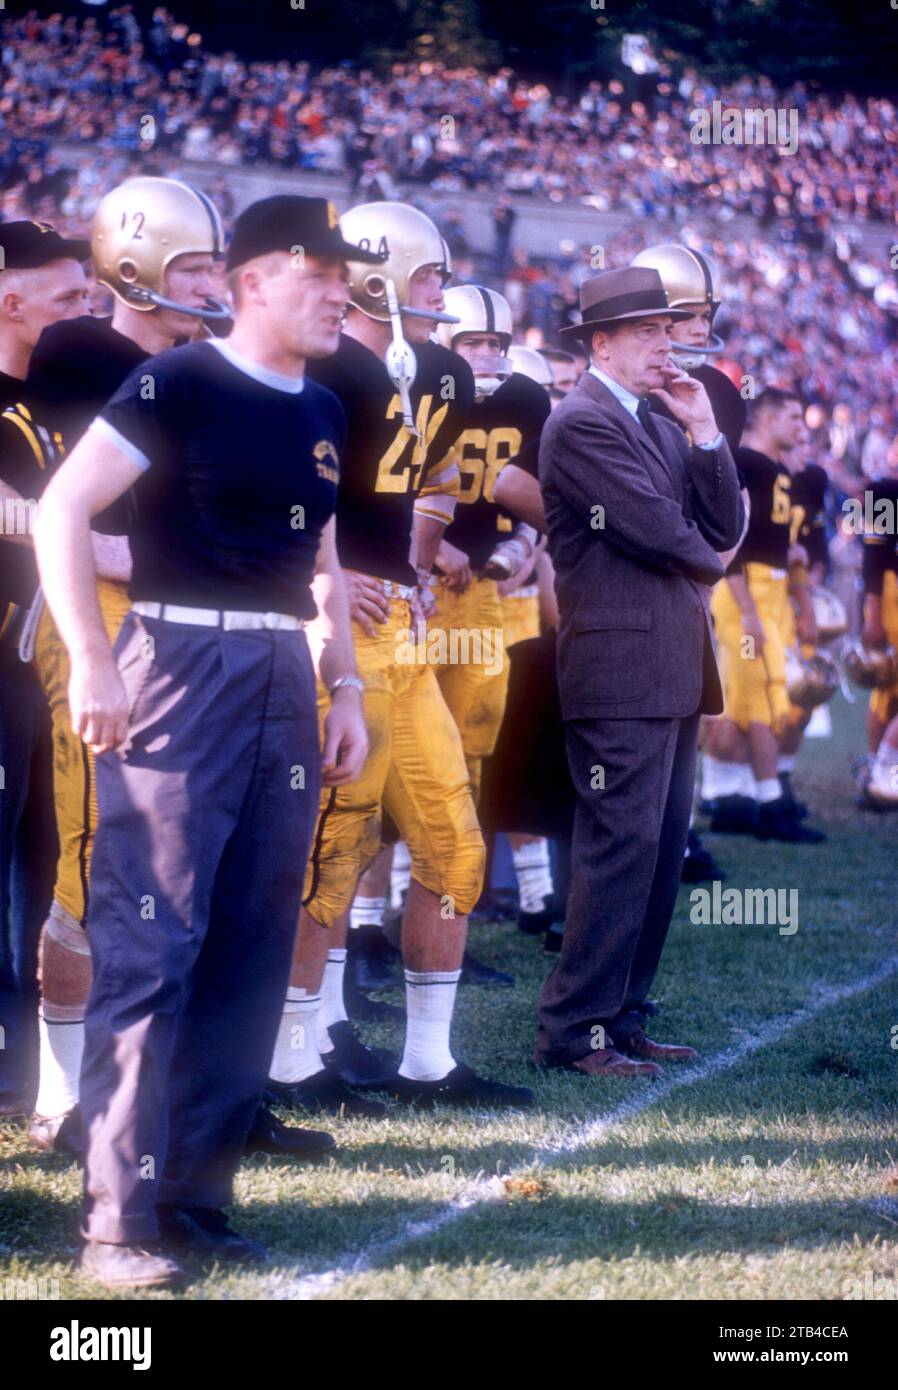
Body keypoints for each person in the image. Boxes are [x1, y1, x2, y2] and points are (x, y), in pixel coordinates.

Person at [34, 195, 372, 1290]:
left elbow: (318, 559)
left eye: (346, 274)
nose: (340, 292)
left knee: (252, 940)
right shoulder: (176, 380)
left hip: (283, 670)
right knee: (155, 939)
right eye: (316, 271)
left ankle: (197, 1194)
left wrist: (348, 685)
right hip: (177, 665)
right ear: (251, 279)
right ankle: (114, 1224)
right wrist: (90, 657)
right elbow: (61, 511)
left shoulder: (323, 405)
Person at [267, 203, 535, 1114]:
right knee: (330, 848)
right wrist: (331, 576)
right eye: (427, 278)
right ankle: (291, 1060)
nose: (440, 294)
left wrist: (416, 565)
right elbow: (300, 483)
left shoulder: (446, 372)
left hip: (407, 628)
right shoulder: (327, 364)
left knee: (454, 846)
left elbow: (429, 483)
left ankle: (429, 1063)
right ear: (383, 277)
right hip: (345, 627)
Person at [535, 266, 743, 1078]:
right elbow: (665, 532)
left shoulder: (657, 417)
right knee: (620, 849)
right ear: (601, 344)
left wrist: (705, 433)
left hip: (668, 663)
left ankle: (621, 1015)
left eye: (670, 329)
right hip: (621, 667)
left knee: (659, 851)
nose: (668, 344)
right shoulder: (582, 421)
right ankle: (572, 1028)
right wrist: (712, 563)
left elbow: (720, 518)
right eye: (651, 331)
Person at [0, 220, 91, 1118]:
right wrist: (82, 536)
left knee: (47, 863)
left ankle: (33, 1077)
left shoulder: (58, 400)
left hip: (49, 661)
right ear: (10, 299)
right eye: (67, 296)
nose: (83, 311)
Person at [707, 389, 826, 842]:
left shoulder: (776, 470)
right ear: (768, 419)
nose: (800, 426)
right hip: (746, 592)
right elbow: (728, 541)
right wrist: (748, 611)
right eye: (792, 417)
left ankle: (747, 796)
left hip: (772, 591)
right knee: (756, 696)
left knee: (779, 694)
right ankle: (769, 802)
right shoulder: (746, 464)